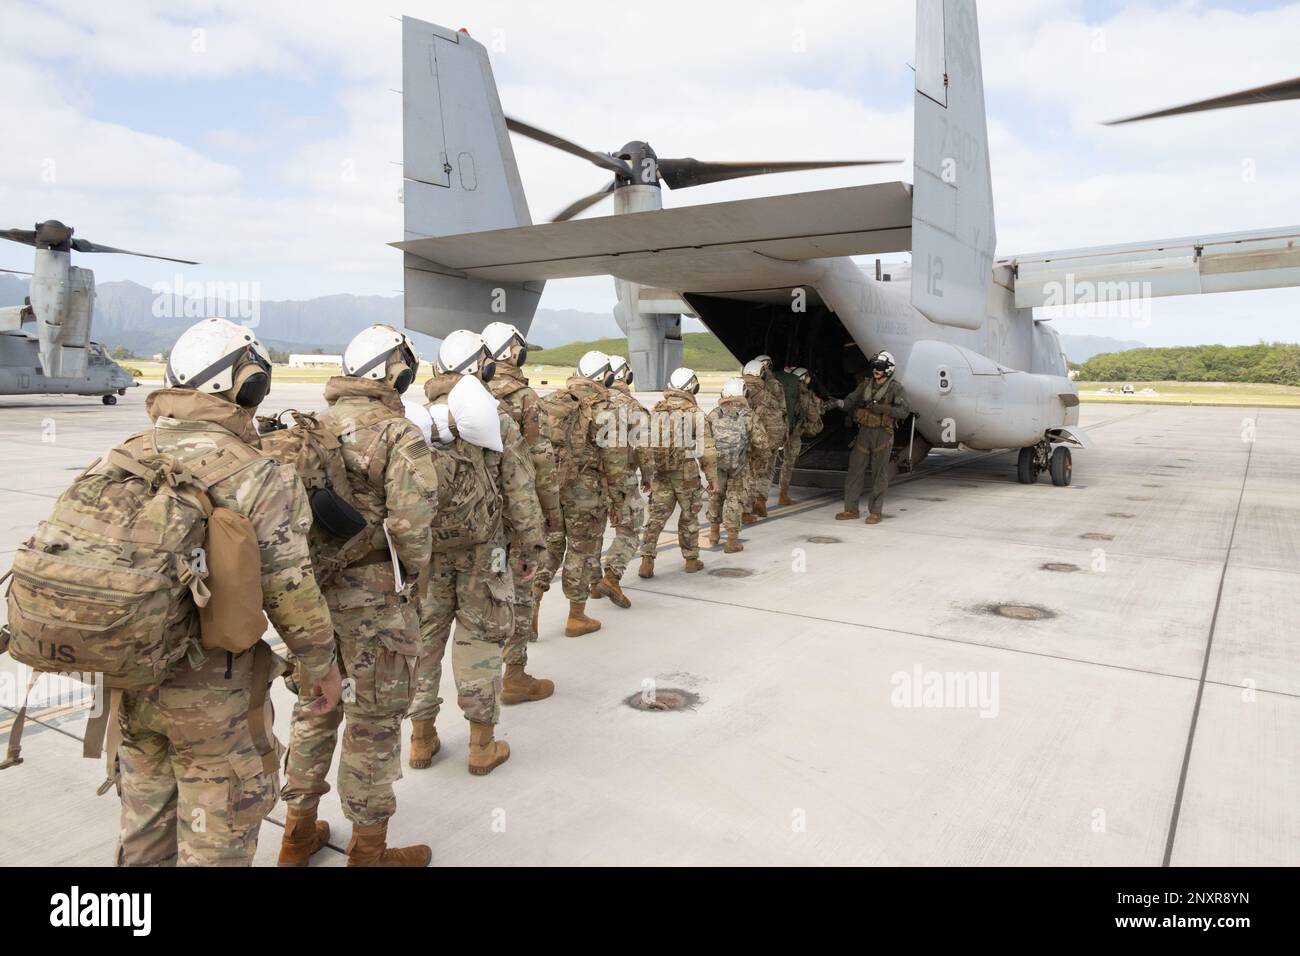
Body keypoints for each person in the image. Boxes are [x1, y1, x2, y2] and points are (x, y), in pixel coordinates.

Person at [117, 317, 342, 866]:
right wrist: (321, 671)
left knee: (143, 827)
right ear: (246, 386)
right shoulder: (258, 474)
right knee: (217, 835)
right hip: (212, 693)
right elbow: (291, 591)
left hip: (129, 676)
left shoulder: (125, 452)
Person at [279, 324, 439, 867]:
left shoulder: (313, 428)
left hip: (313, 599)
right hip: (376, 604)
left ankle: (296, 834)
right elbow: (413, 528)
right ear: (394, 371)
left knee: (315, 709)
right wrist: (410, 580)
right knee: (372, 723)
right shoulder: (399, 433)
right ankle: (368, 852)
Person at [408, 331, 545, 775]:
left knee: (425, 643)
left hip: (429, 553)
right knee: (480, 640)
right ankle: (481, 744)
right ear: (482, 368)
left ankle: (421, 738)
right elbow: (520, 489)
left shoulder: (418, 420)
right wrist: (530, 547)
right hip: (485, 555)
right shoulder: (495, 420)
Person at [481, 321, 561, 704]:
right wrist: (550, 514)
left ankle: (480, 679)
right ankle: (514, 675)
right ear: (513, 352)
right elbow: (541, 461)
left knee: (482, 596)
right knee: (521, 588)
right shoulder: (525, 398)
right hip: (516, 512)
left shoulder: (471, 394)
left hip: (478, 514)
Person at [533, 350, 628, 636]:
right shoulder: (607, 409)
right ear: (605, 376)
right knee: (581, 550)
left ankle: (533, 605)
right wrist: (618, 499)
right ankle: (576, 617)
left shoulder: (551, 401)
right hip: (586, 491)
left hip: (551, 486)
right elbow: (616, 460)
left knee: (551, 546)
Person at [638, 367, 716, 576]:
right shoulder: (695, 414)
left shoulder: (656, 411)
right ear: (692, 386)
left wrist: (647, 474)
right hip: (686, 474)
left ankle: (646, 560)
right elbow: (706, 450)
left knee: (656, 517)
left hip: (661, 473)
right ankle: (691, 560)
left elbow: (644, 445)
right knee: (689, 515)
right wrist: (711, 477)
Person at [589, 354, 651, 609]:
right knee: (629, 529)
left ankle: (593, 584)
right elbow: (643, 445)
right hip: (622, 478)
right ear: (625, 375)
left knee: (593, 532)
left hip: (590, 479)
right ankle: (611, 577)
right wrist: (648, 473)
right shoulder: (631, 406)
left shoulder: (591, 401)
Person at [836, 350, 909, 524]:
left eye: (880, 367)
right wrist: (839, 403)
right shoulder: (865, 385)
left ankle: (876, 512)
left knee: (879, 474)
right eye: (874, 366)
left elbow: (904, 412)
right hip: (864, 433)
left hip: (882, 435)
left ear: (888, 369)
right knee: (855, 471)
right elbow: (851, 399)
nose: (876, 370)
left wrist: (883, 409)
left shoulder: (896, 388)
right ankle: (851, 509)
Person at [707, 376, 762, 553]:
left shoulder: (714, 413)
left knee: (716, 495)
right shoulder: (749, 415)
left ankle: (714, 534)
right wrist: (758, 457)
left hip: (717, 463)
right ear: (744, 393)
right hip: (739, 464)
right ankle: (731, 541)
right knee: (734, 499)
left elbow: (703, 439)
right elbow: (761, 442)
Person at [740, 356, 784, 523]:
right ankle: (760, 501)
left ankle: (744, 508)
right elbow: (780, 414)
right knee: (765, 470)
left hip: (742, 439)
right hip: (764, 437)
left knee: (745, 473)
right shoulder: (771, 392)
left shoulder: (738, 388)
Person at [776, 367, 824, 506]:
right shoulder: (804, 394)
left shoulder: (783, 390)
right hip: (794, 433)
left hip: (779, 429)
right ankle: (783, 494)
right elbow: (813, 415)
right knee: (788, 463)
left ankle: (759, 498)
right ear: (802, 378)